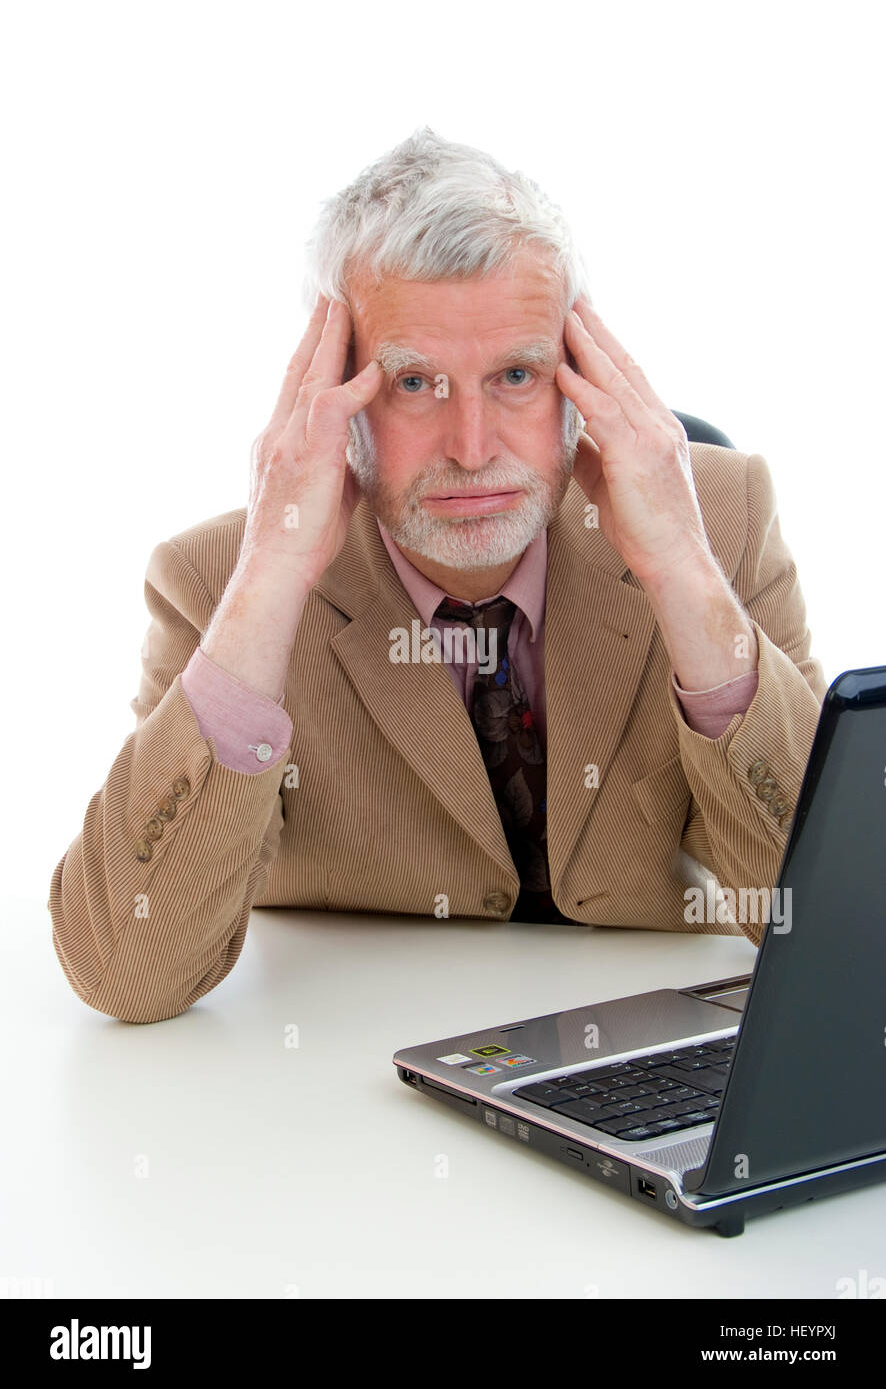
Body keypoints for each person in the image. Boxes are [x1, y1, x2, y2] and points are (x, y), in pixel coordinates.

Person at [49, 127, 827, 1024]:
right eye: (414, 383)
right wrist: (271, 576)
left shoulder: (718, 521)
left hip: (647, 1064)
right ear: (331, 391)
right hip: (352, 1090)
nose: (472, 449)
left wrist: (682, 573)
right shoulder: (219, 583)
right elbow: (126, 977)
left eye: (516, 375)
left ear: (578, 376)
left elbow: (840, 925)